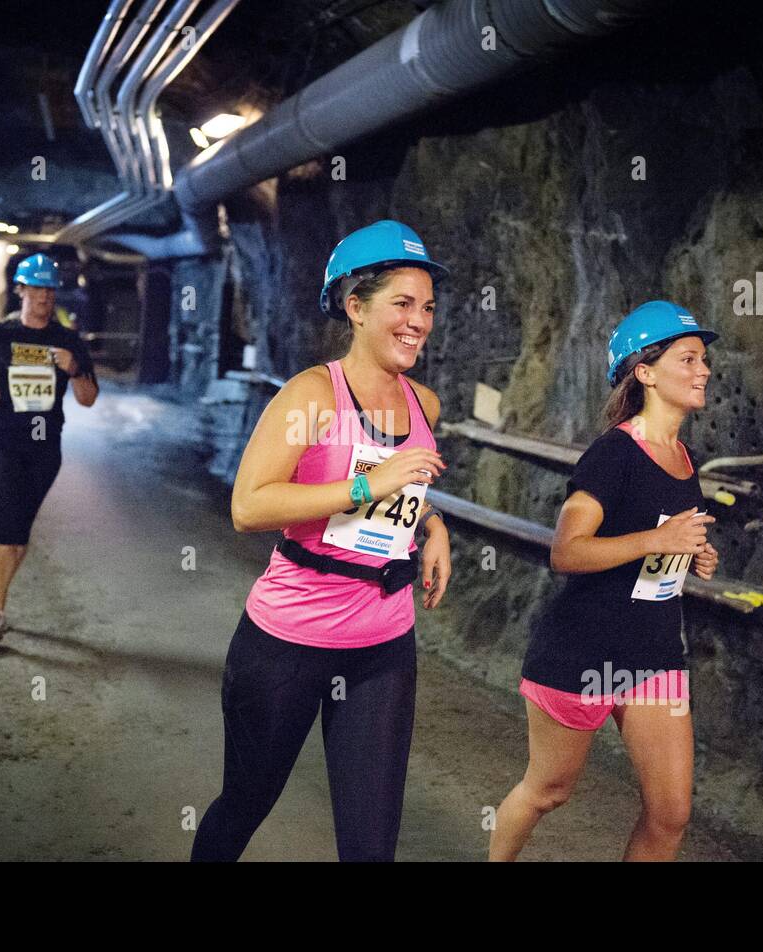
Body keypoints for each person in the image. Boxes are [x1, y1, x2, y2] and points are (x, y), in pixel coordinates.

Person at [191, 220, 453, 862]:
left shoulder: (425, 403)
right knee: (244, 805)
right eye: (402, 303)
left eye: (426, 308)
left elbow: (406, 489)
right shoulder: (312, 394)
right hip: (286, 642)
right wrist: (366, 488)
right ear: (355, 306)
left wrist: (433, 524)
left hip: (382, 645)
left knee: (370, 845)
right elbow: (250, 504)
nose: (418, 321)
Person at [490, 300, 721, 861]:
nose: (704, 370)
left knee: (671, 814)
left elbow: (654, 540)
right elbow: (566, 551)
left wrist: (691, 556)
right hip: (582, 652)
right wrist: (656, 543)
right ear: (645, 372)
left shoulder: (684, 458)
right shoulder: (612, 454)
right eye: (688, 359)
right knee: (549, 791)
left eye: (704, 360)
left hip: (654, 653)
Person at [0, 253, 99, 648]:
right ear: (20, 291)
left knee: (19, 536)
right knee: (5, 523)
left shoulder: (68, 342)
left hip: (44, 449)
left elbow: (87, 399)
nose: (43, 299)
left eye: (49, 292)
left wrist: (74, 369)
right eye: (35, 290)